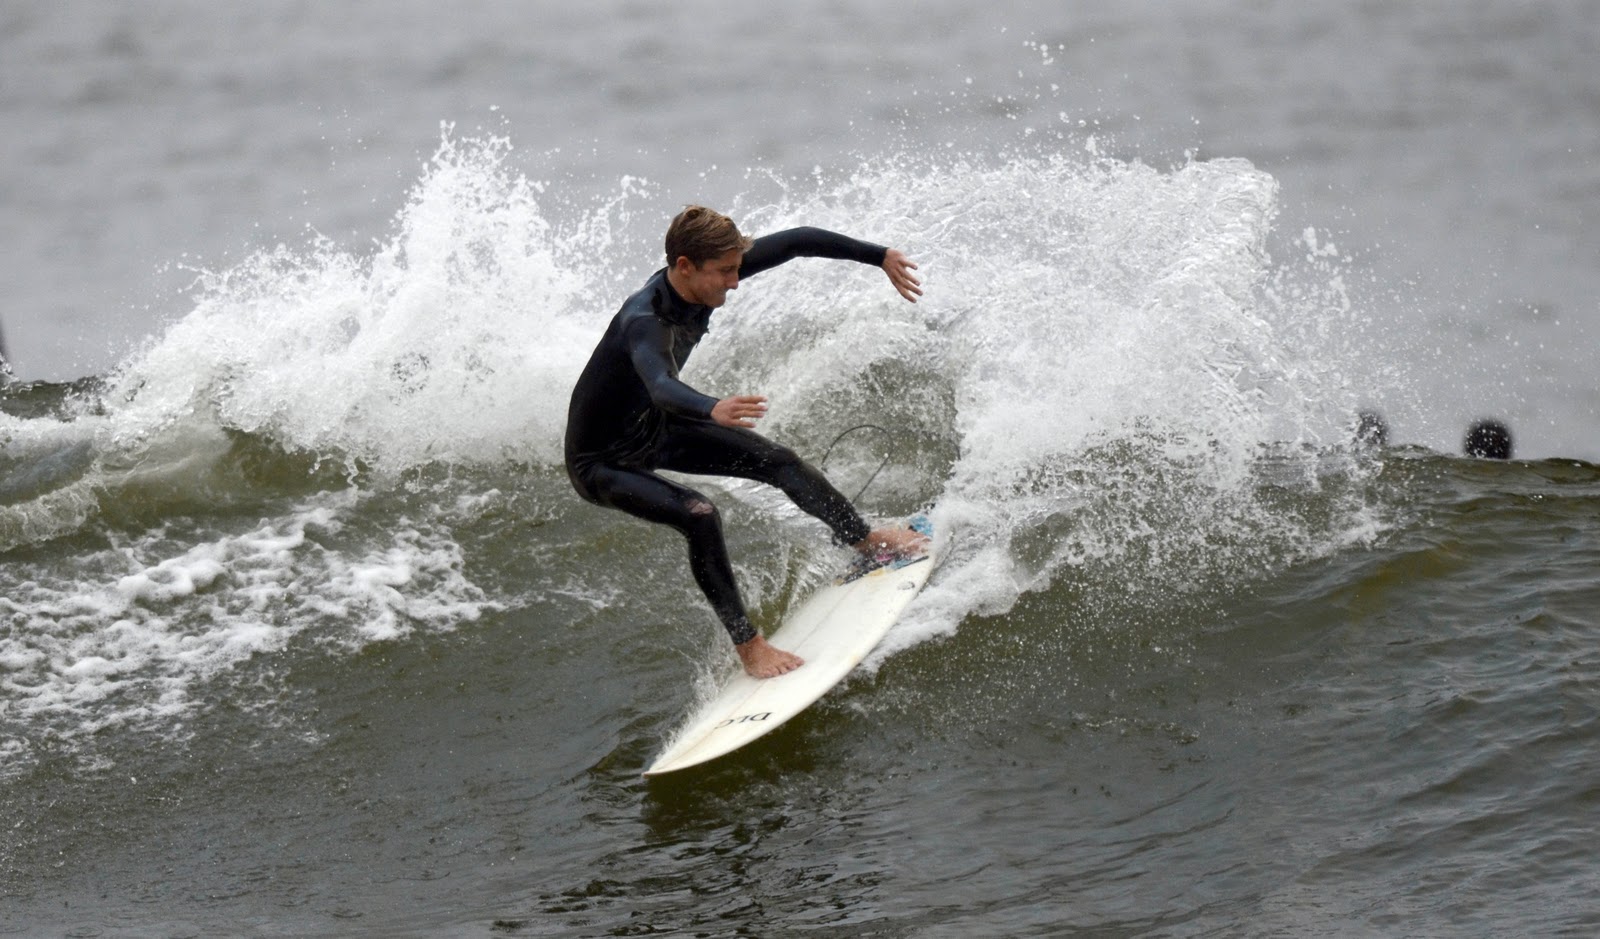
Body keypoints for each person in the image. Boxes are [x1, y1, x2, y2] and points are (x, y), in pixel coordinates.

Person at [564, 206, 928, 679]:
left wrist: (879, 256)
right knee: (699, 514)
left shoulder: (709, 271)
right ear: (684, 266)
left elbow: (797, 240)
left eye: (738, 268)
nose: (735, 282)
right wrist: (710, 407)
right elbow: (659, 383)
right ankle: (751, 649)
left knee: (779, 461)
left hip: (653, 429)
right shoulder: (645, 319)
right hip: (601, 461)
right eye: (726, 273)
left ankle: (863, 539)